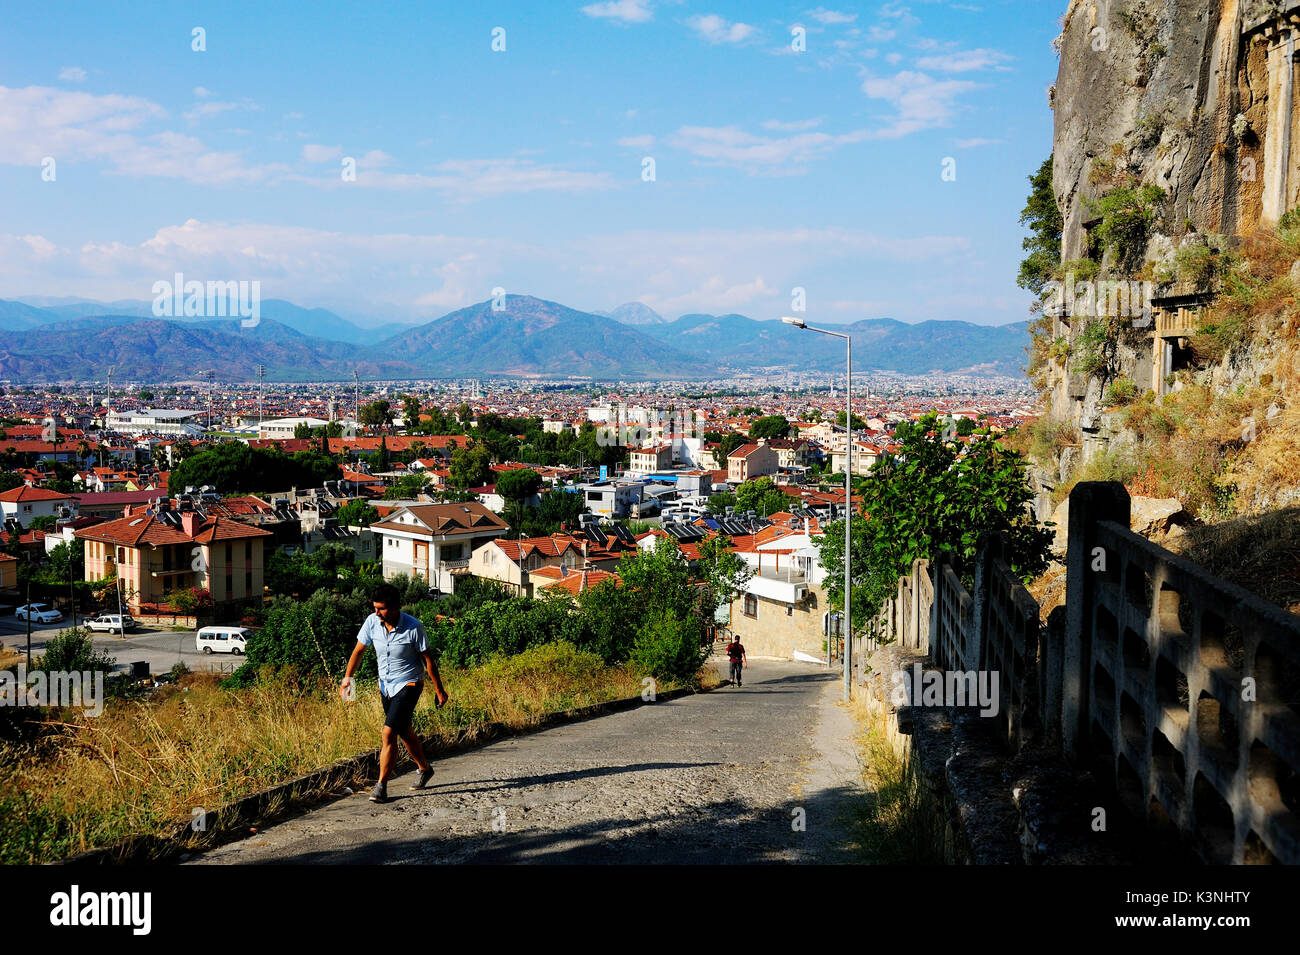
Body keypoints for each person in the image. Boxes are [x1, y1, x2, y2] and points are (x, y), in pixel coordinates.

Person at [340, 582, 449, 804]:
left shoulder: (413, 627)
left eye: (382, 608)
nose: (377, 613)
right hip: (386, 686)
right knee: (404, 730)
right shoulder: (372, 622)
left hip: (409, 684)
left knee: (388, 733)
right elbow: (358, 651)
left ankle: (381, 786)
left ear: (396, 606)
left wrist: (439, 689)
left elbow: (428, 660)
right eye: (375, 608)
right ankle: (424, 769)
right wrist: (347, 680)